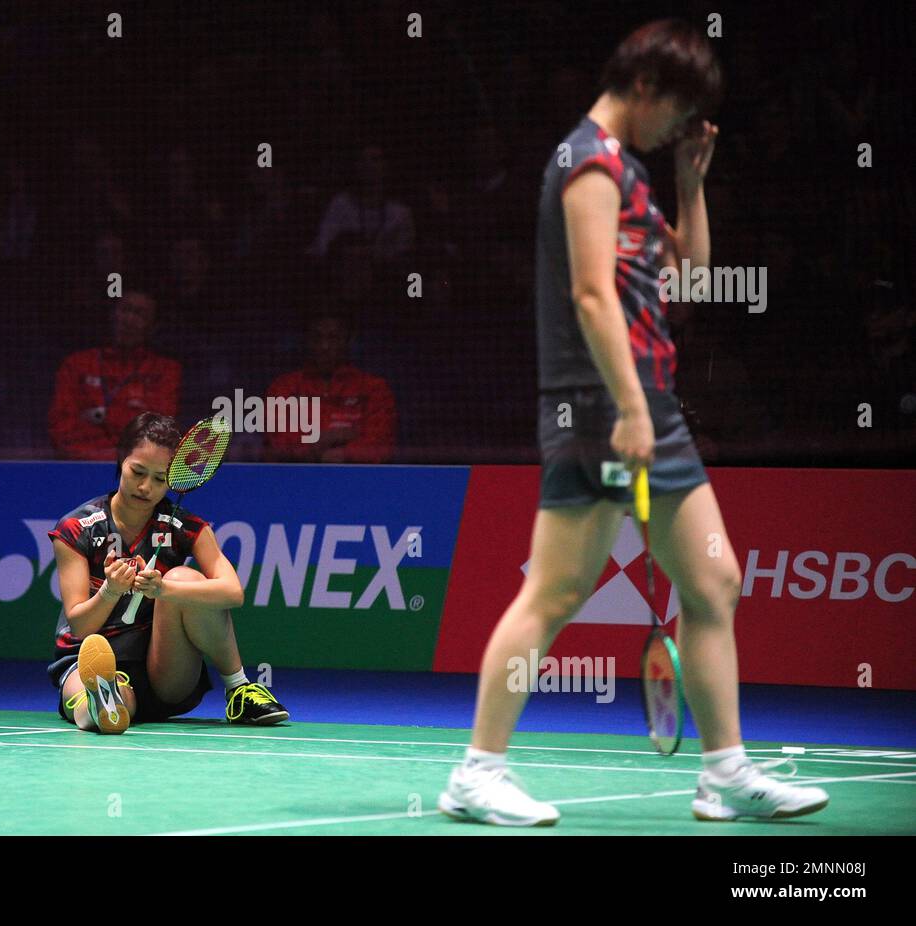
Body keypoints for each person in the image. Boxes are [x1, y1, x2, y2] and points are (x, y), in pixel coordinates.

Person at [440, 19, 829, 825]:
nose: (676, 129)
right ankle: (477, 773)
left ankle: (724, 773)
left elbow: (688, 281)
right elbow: (590, 295)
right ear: (644, 87)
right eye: (677, 113)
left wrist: (691, 181)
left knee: (714, 581)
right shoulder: (588, 163)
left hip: (648, 405)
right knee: (556, 590)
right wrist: (624, 405)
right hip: (600, 407)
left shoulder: (633, 174)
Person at [47, 412, 289, 732]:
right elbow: (79, 625)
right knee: (106, 699)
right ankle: (103, 704)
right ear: (121, 462)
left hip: (162, 670)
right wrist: (111, 591)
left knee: (183, 578)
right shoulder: (78, 529)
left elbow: (233, 592)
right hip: (87, 659)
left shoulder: (184, 528)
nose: (145, 487)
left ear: (175, 478)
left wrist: (165, 590)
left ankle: (240, 688)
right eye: (137, 472)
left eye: (160, 478)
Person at [48, 292, 182, 459]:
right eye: (125, 310)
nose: (129, 320)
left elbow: (158, 434)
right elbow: (61, 427)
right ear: (113, 315)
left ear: (153, 325)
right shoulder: (76, 364)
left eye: (140, 314)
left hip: (137, 470)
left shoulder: (166, 370)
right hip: (81, 465)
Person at [263, 310, 397, 463]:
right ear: (307, 340)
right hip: (297, 479)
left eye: (333, 338)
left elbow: (381, 445)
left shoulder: (374, 388)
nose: (324, 346)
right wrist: (328, 438)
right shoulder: (283, 387)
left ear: (348, 340)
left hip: (357, 481)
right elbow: (278, 443)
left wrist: (343, 454)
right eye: (317, 337)